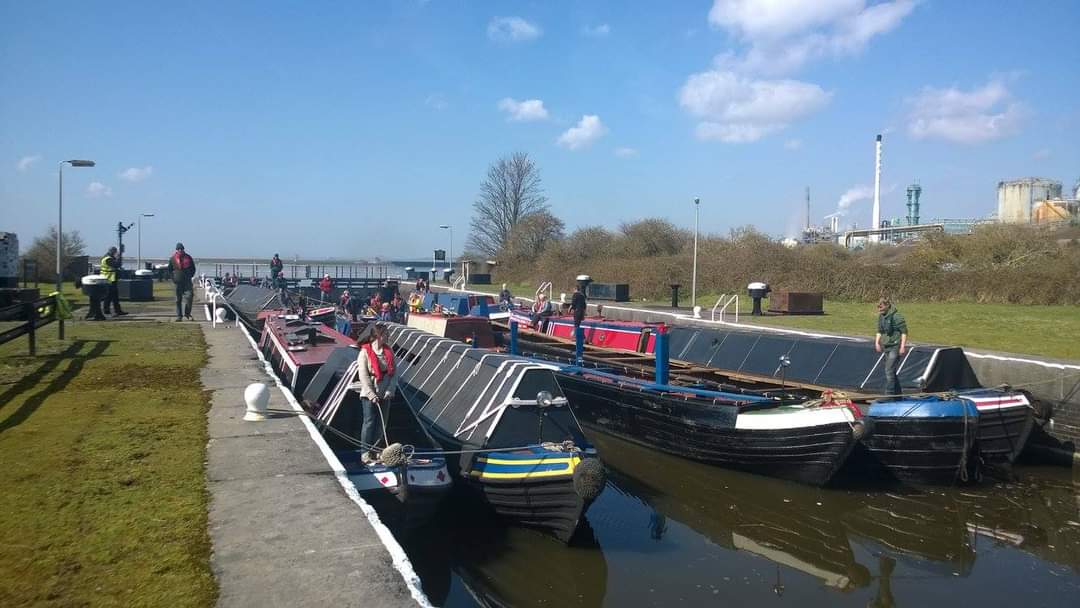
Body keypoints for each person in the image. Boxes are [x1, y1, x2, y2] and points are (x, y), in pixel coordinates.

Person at [354, 324, 397, 464]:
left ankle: (376, 450)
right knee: (369, 422)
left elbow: (394, 374)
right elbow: (363, 375)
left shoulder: (388, 351)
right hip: (369, 394)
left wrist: (390, 390)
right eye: (386, 334)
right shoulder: (364, 352)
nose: (388, 336)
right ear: (378, 335)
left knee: (382, 423)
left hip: (385, 393)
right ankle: (365, 453)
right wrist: (371, 394)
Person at [874, 297, 908, 396]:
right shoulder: (881, 316)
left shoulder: (896, 316)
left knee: (889, 370)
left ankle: (889, 394)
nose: (879, 309)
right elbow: (880, 331)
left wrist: (902, 346)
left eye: (881, 307)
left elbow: (904, 332)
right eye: (878, 307)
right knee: (891, 371)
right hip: (886, 346)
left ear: (887, 306)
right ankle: (898, 394)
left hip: (895, 346)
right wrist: (877, 343)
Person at [168, 242, 196, 321]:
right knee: (178, 300)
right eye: (179, 249)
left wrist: (190, 275)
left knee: (189, 297)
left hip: (187, 282)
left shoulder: (188, 257)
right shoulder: (172, 259)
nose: (180, 250)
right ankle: (179, 316)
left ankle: (187, 314)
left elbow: (193, 268)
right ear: (176, 250)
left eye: (182, 249)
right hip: (177, 282)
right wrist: (173, 278)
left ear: (183, 249)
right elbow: (169, 270)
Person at [99, 246, 128, 316]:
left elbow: (118, 263)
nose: (115, 253)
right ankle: (107, 311)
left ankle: (118, 311)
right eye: (114, 251)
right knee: (108, 296)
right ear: (112, 251)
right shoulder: (108, 259)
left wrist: (120, 255)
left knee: (115, 296)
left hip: (111, 279)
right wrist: (119, 255)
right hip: (108, 280)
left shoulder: (108, 257)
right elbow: (117, 265)